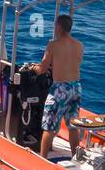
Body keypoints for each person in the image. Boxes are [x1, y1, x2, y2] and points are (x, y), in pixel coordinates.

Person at [35, 14, 84, 158]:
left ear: (59, 27)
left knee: (49, 127)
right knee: (72, 126)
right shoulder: (79, 45)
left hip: (60, 89)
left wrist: (34, 68)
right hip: (76, 87)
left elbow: (43, 69)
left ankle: (42, 159)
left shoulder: (53, 45)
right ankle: (75, 157)